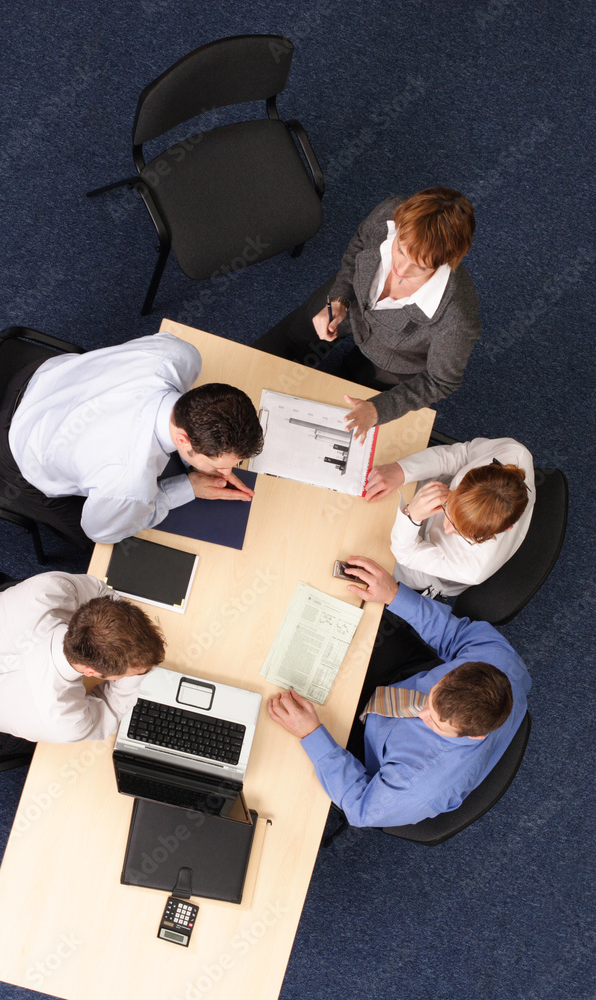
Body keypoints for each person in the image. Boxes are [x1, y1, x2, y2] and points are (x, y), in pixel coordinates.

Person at [267, 558, 530, 828]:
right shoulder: (497, 660)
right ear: (458, 671)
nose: (421, 712)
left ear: (476, 736)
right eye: (432, 698)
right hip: (406, 677)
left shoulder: (418, 784)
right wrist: (394, 594)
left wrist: (311, 733)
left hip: (371, 749)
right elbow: (452, 634)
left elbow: (361, 808)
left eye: (435, 721)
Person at [0, 332, 264, 547]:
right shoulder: (128, 485)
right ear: (183, 440)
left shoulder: (181, 356)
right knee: (97, 545)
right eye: (223, 464)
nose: (226, 472)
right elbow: (99, 532)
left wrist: (203, 455)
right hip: (17, 447)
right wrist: (187, 487)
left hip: (40, 376)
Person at [254, 187, 480, 437]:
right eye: (400, 250)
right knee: (292, 337)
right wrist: (339, 297)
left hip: (395, 355)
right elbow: (359, 245)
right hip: (353, 294)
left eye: (420, 266)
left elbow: (441, 381)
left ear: (450, 260)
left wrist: (378, 410)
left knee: (352, 394)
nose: (401, 270)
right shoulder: (389, 214)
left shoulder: (456, 320)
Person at [0, 572, 166, 751]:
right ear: (90, 671)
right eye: (127, 673)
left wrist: (128, 649)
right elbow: (111, 712)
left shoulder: (48, 590)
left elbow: (105, 596)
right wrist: (138, 674)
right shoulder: (63, 721)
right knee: (36, 749)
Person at [365, 437, 535, 596]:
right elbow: (463, 455)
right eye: (449, 509)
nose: (446, 529)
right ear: (467, 478)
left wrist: (411, 516)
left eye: (465, 535)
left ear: (506, 529)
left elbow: (407, 554)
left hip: (425, 565)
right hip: (431, 495)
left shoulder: (472, 568)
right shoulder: (513, 452)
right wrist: (402, 471)